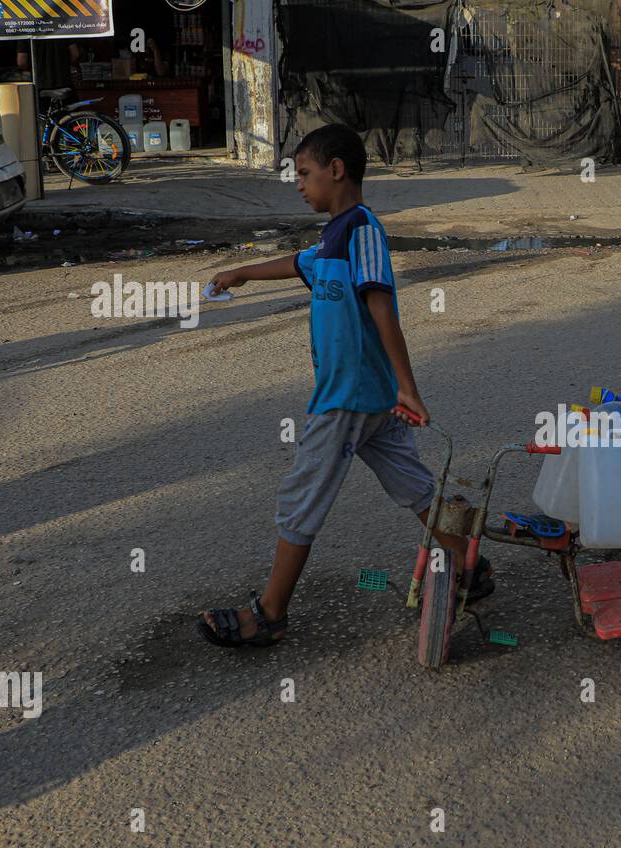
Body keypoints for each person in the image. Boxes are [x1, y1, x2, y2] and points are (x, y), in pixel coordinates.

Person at [197, 124, 494, 647]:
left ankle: (270, 612)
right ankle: (469, 566)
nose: (299, 185)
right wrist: (241, 272)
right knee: (413, 485)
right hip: (368, 397)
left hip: (349, 397)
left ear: (336, 170)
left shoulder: (363, 230)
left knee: (302, 497)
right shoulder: (333, 235)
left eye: (304, 174)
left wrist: (409, 386)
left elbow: (382, 305)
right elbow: (298, 264)